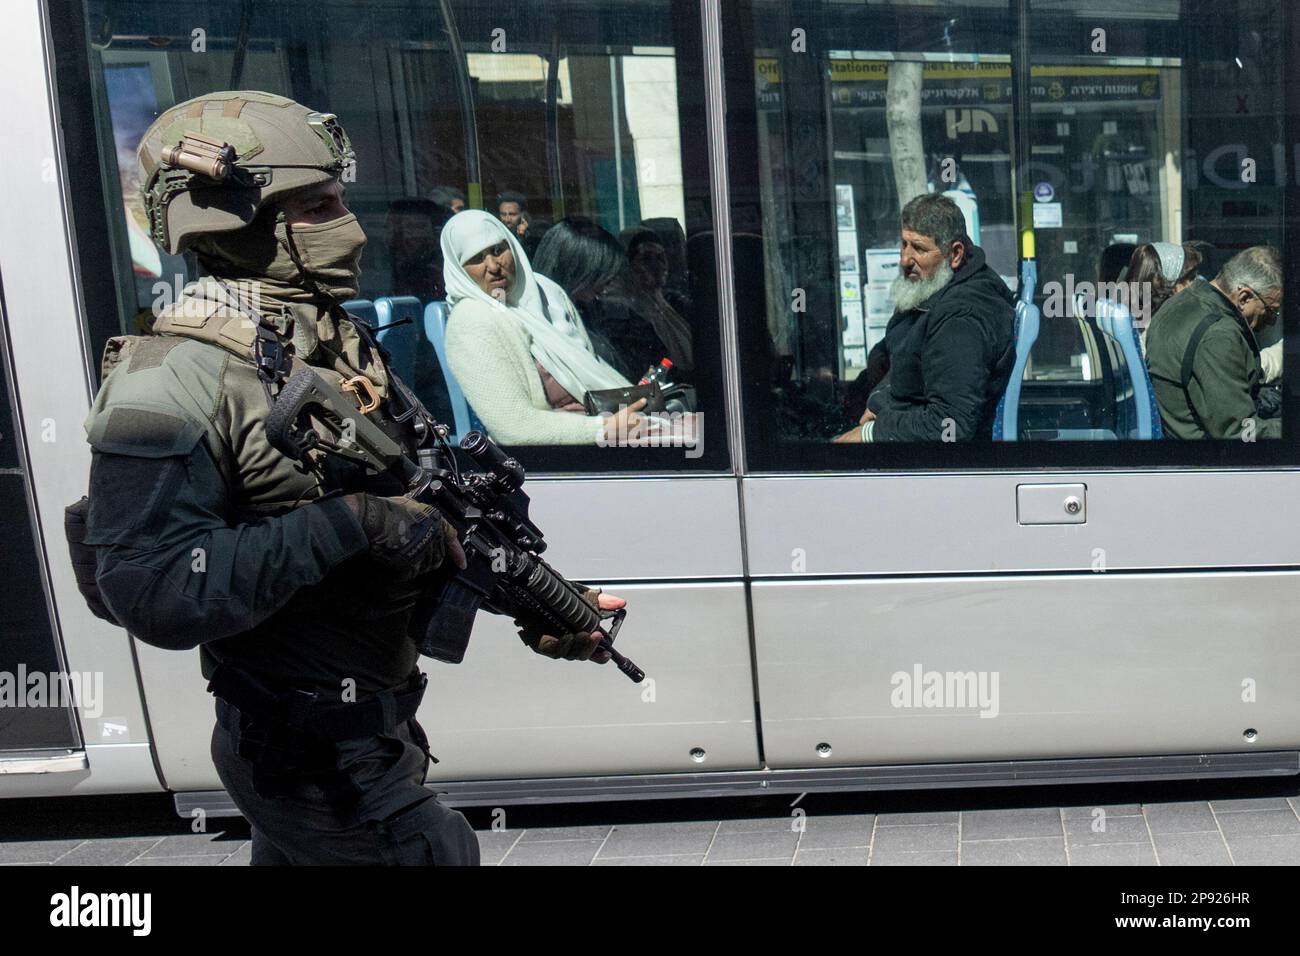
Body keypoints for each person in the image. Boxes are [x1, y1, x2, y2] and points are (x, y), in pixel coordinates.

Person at [77, 91, 623, 865]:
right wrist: (355, 523)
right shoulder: (171, 380)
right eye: (320, 206)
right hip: (311, 758)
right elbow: (150, 586)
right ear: (236, 219)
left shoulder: (328, 340)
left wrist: (537, 598)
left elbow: (428, 510)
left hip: (369, 732)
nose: (354, 226)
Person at [441, 210, 647, 444]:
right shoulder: (471, 322)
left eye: (498, 250)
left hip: (616, 431)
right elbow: (513, 428)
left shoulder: (545, 292)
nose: (493, 266)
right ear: (459, 269)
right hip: (555, 460)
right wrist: (601, 429)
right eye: (476, 258)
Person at [834, 193, 1015, 443]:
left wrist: (870, 433)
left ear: (955, 254)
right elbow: (911, 358)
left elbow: (952, 424)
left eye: (918, 248)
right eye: (904, 244)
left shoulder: (962, 319)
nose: (905, 260)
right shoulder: (937, 288)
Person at [1146, 245, 1283, 439]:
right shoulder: (1219, 336)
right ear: (1244, 297)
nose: (1272, 321)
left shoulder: (1182, 301)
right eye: (1271, 311)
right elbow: (1238, 431)